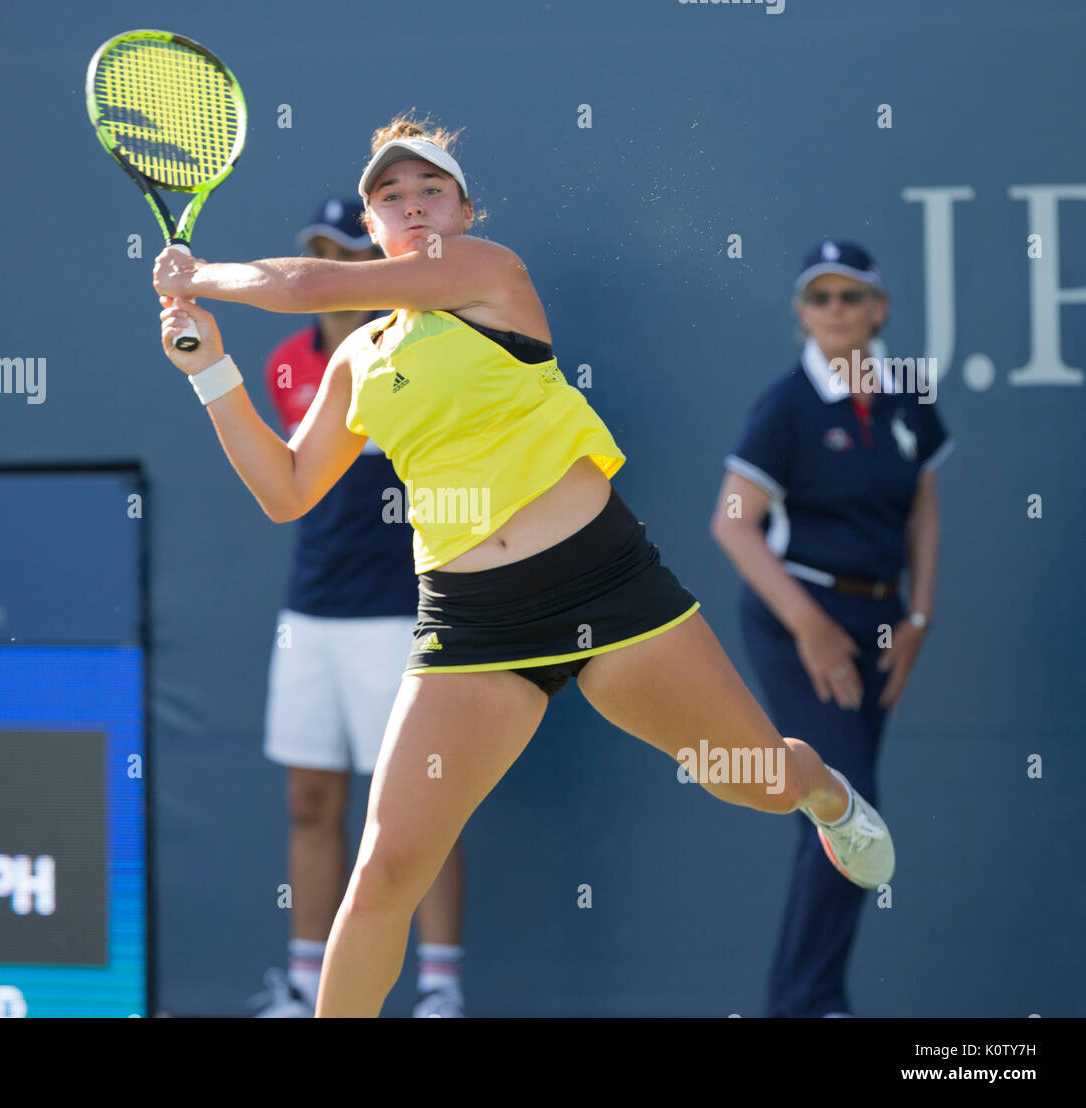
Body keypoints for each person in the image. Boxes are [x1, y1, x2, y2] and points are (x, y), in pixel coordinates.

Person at [153, 113, 896, 1018]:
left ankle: (823, 793)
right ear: (372, 220)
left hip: (610, 592)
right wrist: (214, 374)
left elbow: (307, 279)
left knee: (755, 783)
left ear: (465, 211)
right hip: (472, 630)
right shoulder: (357, 358)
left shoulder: (486, 275)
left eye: (433, 190)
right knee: (385, 868)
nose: (414, 205)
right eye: (392, 196)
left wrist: (204, 276)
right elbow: (287, 489)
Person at [710, 241, 953, 1018]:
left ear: (879, 309)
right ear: (802, 314)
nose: (837, 311)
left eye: (852, 296)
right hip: (800, 620)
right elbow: (733, 524)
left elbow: (920, 501)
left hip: (880, 620)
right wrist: (810, 625)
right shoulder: (785, 405)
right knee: (847, 800)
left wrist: (917, 613)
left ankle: (806, 999)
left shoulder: (906, 390)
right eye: (821, 298)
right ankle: (808, 1003)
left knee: (844, 809)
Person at [250, 197, 467, 1019]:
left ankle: (439, 988)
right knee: (311, 801)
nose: (331, 270)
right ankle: (307, 986)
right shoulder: (284, 361)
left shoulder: (421, 351)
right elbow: (300, 480)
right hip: (310, 613)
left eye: (346, 252)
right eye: (318, 252)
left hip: (404, 610)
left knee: (418, 808)